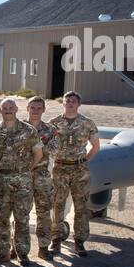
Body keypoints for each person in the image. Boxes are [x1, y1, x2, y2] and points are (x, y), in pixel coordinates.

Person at [0, 97, 43, 264]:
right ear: (0, 111)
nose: (8, 110)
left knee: (22, 217)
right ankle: (2, 253)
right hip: (1, 179)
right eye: (5, 108)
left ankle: (22, 252)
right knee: (1, 218)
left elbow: (38, 154)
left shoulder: (29, 130)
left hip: (23, 180)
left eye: (11, 107)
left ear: (17, 109)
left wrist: (26, 170)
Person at [49, 91, 100, 257]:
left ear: (78, 104)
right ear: (62, 103)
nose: (70, 103)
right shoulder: (54, 123)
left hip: (79, 171)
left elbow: (95, 146)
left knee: (81, 206)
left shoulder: (87, 123)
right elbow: (47, 145)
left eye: (73, 101)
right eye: (67, 100)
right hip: (60, 169)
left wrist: (84, 160)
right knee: (57, 205)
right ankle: (55, 240)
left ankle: (79, 241)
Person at [26, 96, 57, 259]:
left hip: (42, 175)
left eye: (39, 108)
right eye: (33, 108)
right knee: (20, 212)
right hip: (23, 175)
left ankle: (44, 246)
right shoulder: (20, 128)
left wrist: (36, 151)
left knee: (43, 211)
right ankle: (18, 246)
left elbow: (54, 148)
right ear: (27, 109)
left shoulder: (50, 130)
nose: (35, 111)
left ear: (44, 110)